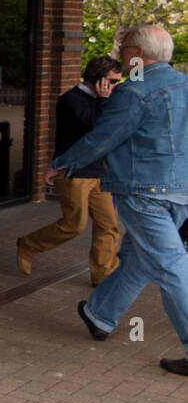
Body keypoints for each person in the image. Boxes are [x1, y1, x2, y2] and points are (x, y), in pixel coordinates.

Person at [45, 25, 188, 376]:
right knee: (141, 258)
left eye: (124, 47)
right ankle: (100, 314)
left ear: (138, 53)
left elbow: (103, 137)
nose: (121, 54)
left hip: (144, 194)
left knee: (171, 266)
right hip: (180, 193)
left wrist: (64, 164)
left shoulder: (134, 91)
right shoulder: (184, 84)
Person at [17, 56, 123, 285]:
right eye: (112, 82)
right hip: (74, 172)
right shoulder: (71, 99)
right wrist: (105, 101)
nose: (115, 87)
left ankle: (103, 275)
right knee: (74, 225)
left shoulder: (102, 100)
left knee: (109, 225)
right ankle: (29, 244)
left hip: (100, 172)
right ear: (98, 80)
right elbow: (96, 129)